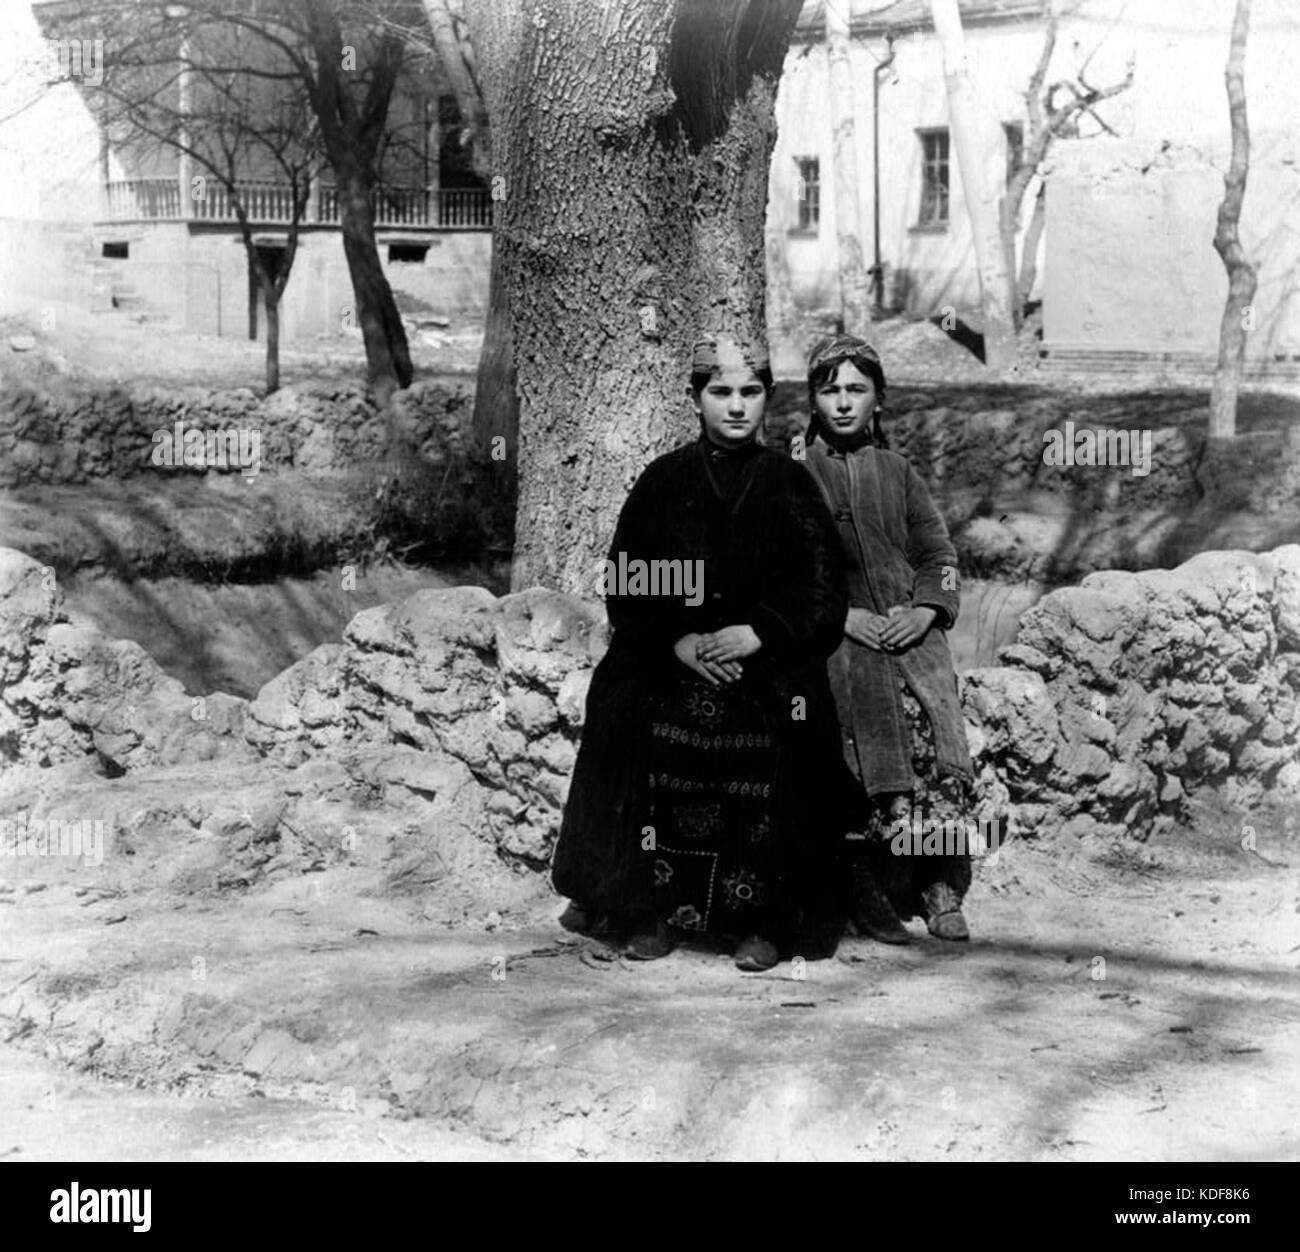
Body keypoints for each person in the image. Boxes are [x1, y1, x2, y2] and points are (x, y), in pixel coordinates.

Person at [551, 334, 849, 972]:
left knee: (795, 721)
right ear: (695, 400)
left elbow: (824, 592)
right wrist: (677, 641)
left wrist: (759, 631)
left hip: (764, 658)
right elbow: (628, 580)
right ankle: (644, 907)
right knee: (625, 707)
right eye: (721, 392)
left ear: (767, 398)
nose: (737, 406)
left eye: (750, 392)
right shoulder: (663, 482)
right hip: (672, 652)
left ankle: (768, 920)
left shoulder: (791, 486)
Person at [801, 333, 975, 944]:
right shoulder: (796, 476)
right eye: (830, 391)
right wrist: (842, 618)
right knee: (856, 733)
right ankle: (865, 884)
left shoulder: (901, 473)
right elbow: (784, 568)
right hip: (837, 637)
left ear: (878, 397)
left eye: (857, 389)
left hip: (911, 635)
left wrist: (925, 611)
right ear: (814, 401)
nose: (843, 403)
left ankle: (937, 881)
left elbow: (939, 555)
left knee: (931, 727)